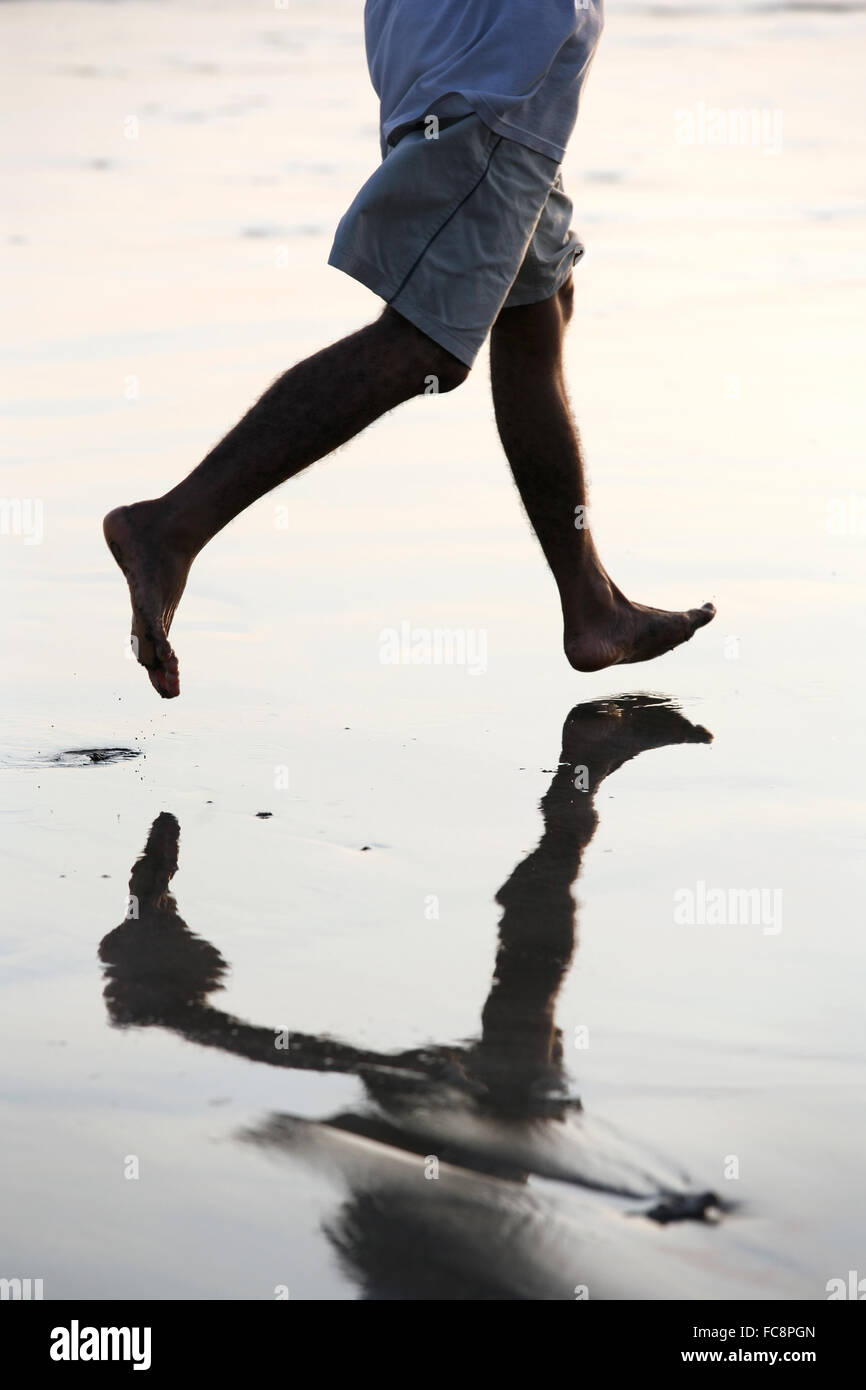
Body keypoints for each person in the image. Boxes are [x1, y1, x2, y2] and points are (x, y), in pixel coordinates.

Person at [104, 0, 714, 699]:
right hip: (496, 73)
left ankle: (591, 605)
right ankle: (170, 526)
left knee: (536, 310)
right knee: (428, 342)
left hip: (495, 69)